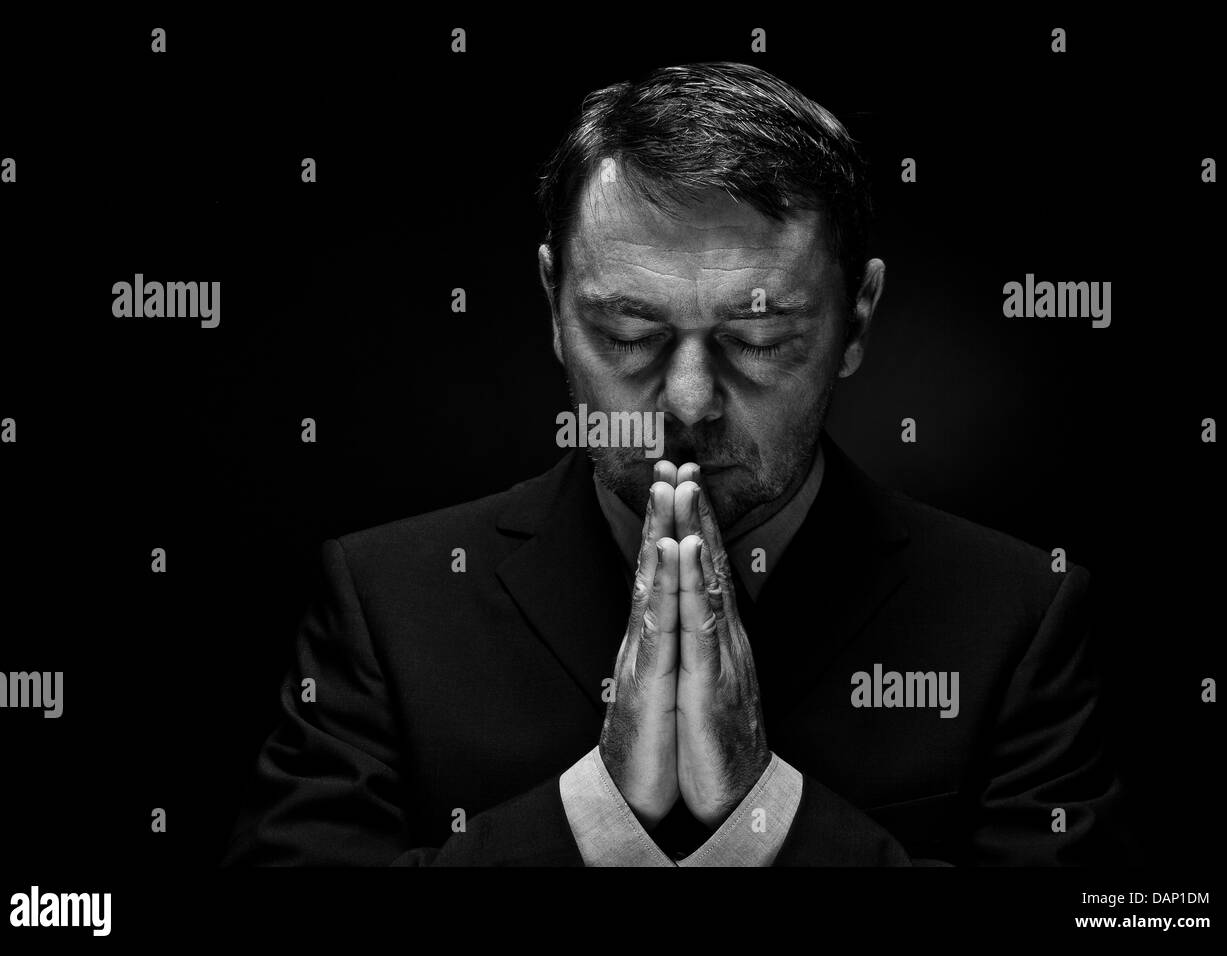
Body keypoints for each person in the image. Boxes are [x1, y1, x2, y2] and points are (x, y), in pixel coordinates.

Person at [223, 61, 1122, 866]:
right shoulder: (387, 600)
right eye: (630, 332)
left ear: (857, 319)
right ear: (552, 303)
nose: (689, 403)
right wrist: (597, 814)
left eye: (760, 336)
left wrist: (766, 815)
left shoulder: (1018, 618)